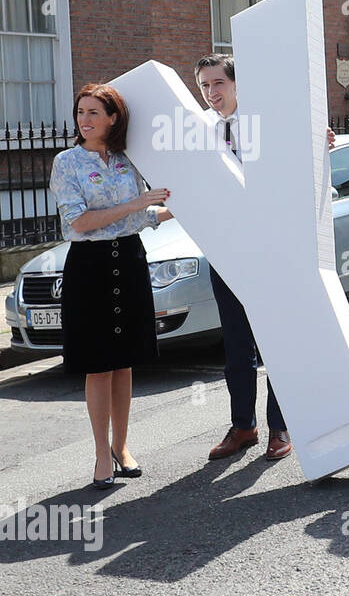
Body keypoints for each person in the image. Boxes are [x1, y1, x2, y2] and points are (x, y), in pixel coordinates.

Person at [49, 84, 173, 488]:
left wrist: (188, 206)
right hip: (90, 266)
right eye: (80, 112)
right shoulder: (66, 163)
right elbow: (79, 222)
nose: (84, 120)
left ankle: (122, 447)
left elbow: (143, 217)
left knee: (124, 361)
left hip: (130, 259)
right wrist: (139, 204)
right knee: (98, 364)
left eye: (93, 113)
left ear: (113, 118)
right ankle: (102, 453)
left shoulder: (127, 159)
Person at [196, 54, 294, 462]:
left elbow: (292, 165)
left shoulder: (264, 123)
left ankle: (281, 426)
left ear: (236, 84)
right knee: (236, 345)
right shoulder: (198, 129)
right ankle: (243, 426)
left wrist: (317, 143)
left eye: (218, 83)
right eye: (204, 86)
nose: (212, 93)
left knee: (274, 341)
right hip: (224, 251)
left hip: (269, 249)